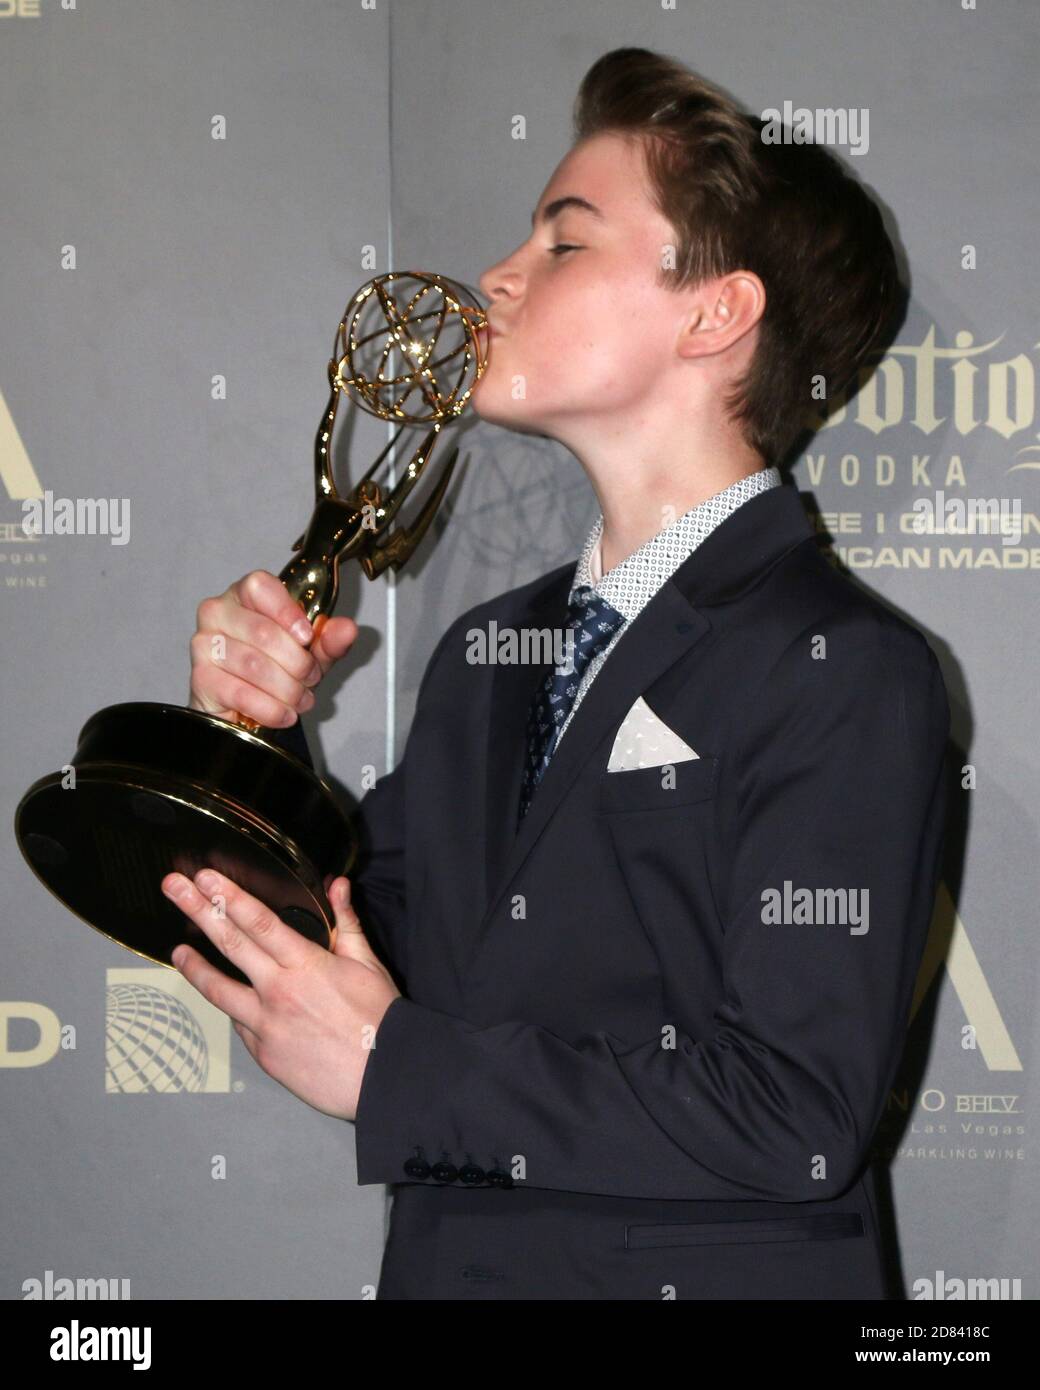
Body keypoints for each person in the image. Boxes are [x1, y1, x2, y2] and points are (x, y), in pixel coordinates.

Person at [180, 47, 949, 1300]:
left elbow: (792, 1114)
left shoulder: (847, 668)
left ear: (714, 313)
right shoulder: (489, 656)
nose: (498, 274)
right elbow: (347, 947)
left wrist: (397, 1069)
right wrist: (246, 741)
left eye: (563, 240)